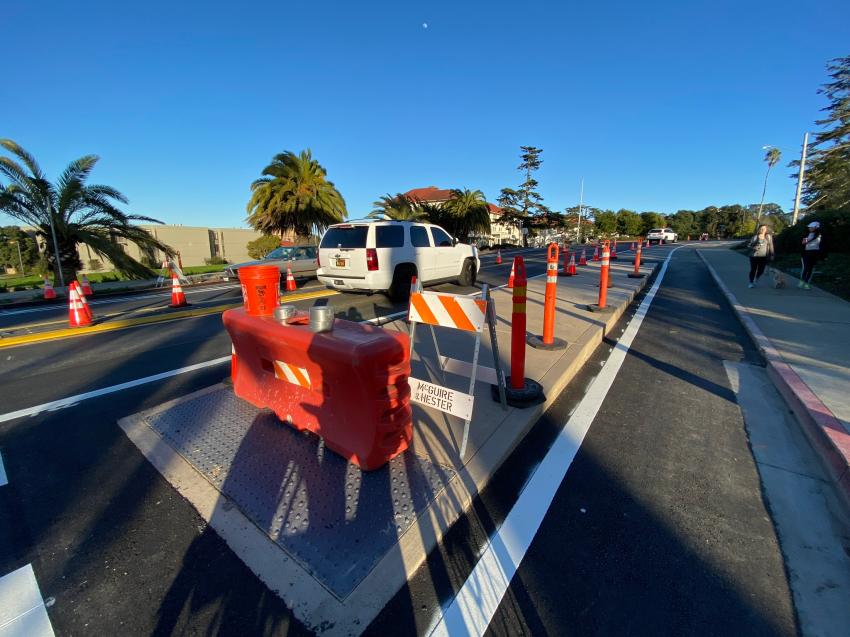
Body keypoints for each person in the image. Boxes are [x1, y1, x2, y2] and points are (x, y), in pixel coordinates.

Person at [800, 220, 826, 289]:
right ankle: (801, 282)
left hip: (815, 253)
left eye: (811, 227)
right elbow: (803, 243)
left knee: (810, 269)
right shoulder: (807, 234)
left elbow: (822, 245)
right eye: (809, 227)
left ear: (815, 228)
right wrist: (804, 241)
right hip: (806, 253)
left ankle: (806, 283)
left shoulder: (820, 235)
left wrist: (823, 256)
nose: (809, 228)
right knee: (805, 268)